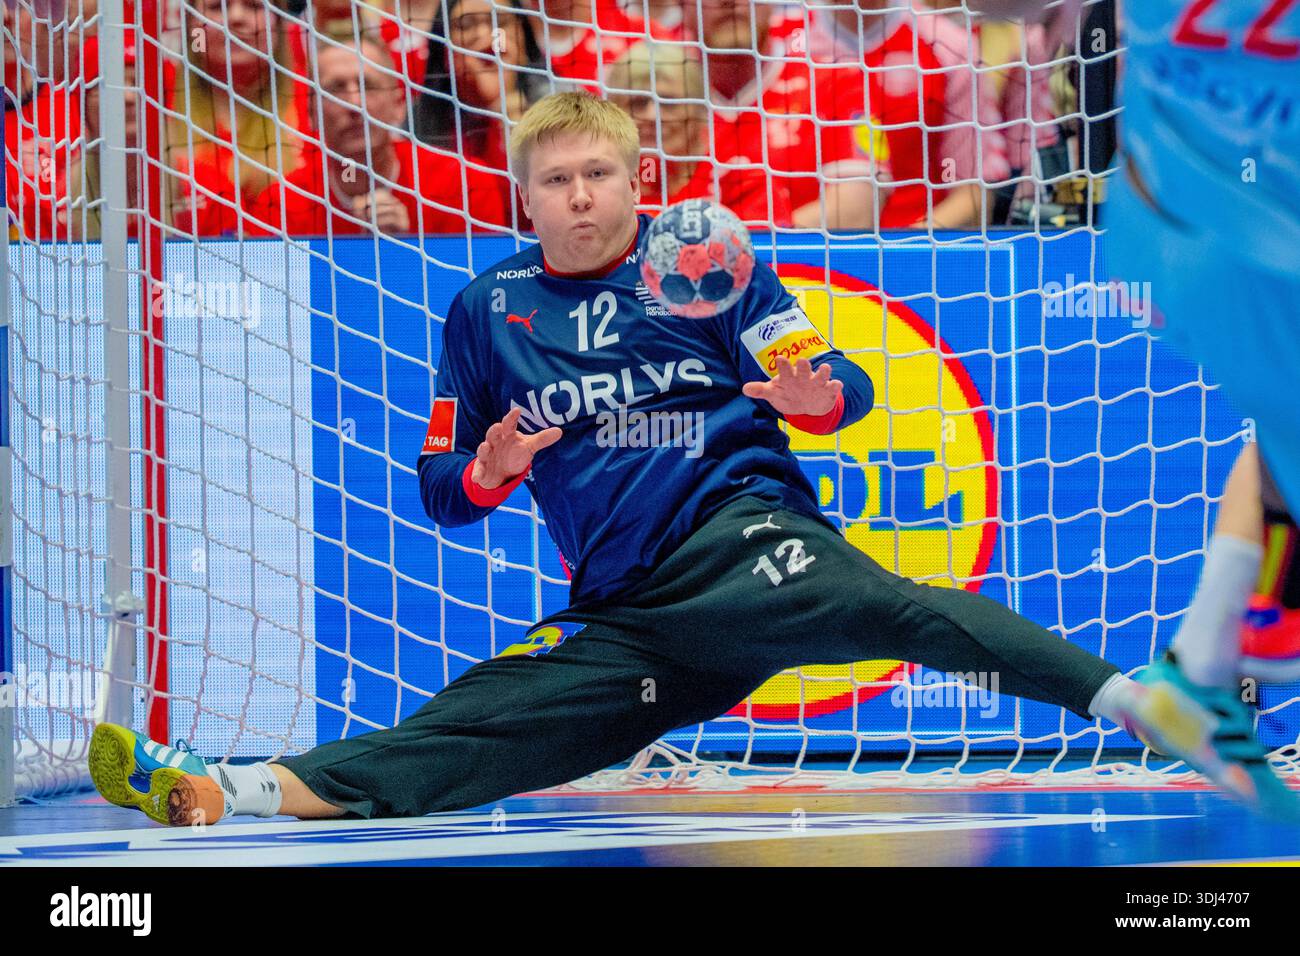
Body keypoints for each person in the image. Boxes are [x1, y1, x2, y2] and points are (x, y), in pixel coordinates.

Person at [87, 91, 1264, 828]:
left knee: (883, 603)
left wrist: (821, 394)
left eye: (600, 174)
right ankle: (229, 788)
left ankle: (1142, 701)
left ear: (635, 184)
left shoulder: (702, 263)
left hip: (740, 532)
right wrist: (491, 468)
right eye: (557, 179)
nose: (581, 194)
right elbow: (442, 492)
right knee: (481, 719)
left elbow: (835, 386)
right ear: (526, 195)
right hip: (635, 618)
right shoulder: (481, 311)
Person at [957, 0, 1300, 816]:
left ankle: (1209, 657)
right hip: (1246, 236)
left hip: (1167, 235)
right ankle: (1263, 618)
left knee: (1281, 430)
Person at [247, 35, 506, 236]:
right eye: (336, 89)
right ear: (311, 113)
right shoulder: (280, 204)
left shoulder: (465, 184)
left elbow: (480, 296)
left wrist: (409, 245)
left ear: (398, 105)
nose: (355, 104)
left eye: (367, 85)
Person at [697, 0, 878, 229]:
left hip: (801, 264)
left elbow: (857, 210)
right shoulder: (661, 97)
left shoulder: (835, 81)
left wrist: (740, 248)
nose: (729, 2)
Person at [606, 40, 790, 227]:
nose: (652, 115)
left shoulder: (740, 181)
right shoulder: (599, 183)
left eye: (668, 102)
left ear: (698, 111)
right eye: (638, 103)